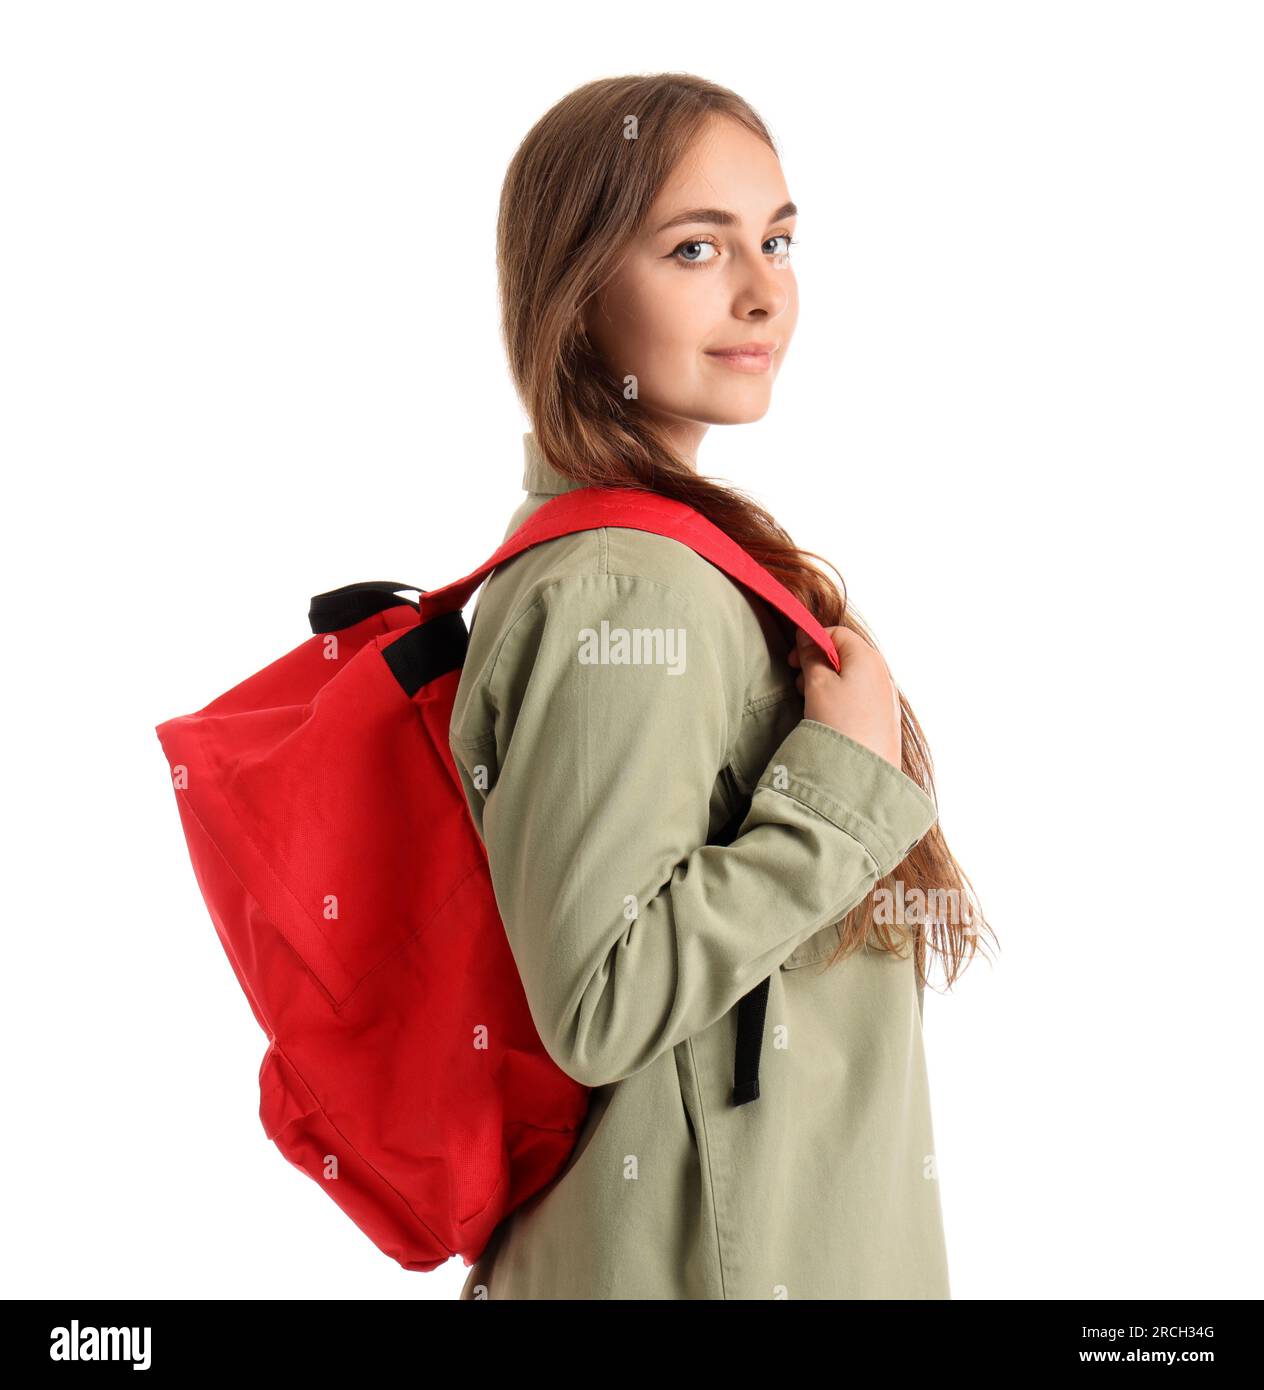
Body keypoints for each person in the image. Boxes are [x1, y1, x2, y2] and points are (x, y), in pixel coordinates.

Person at [449, 73, 989, 1300]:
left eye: (778, 240)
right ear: (576, 290)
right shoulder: (625, 589)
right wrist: (839, 788)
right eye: (697, 247)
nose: (763, 291)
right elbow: (598, 999)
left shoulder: (664, 558)